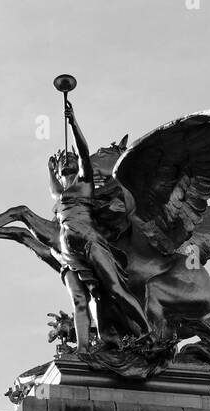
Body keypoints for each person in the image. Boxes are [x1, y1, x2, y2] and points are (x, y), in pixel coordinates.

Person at [49, 99, 149, 351]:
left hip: (90, 241)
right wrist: (50, 170)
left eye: (69, 158)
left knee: (115, 288)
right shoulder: (60, 195)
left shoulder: (84, 181)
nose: (67, 161)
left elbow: (83, 151)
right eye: (63, 161)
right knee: (81, 299)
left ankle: (147, 333)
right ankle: (83, 349)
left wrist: (72, 122)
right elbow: (54, 190)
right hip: (70, 251)